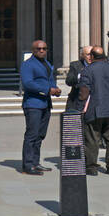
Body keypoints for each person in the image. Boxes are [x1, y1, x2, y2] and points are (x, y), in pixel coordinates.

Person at [78, 46, 109, 174]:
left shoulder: (87, 70)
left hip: (95, 109)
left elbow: (84, 92)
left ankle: (91, 167)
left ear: (92, 57)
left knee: (92, 139)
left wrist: (80, 103)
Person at [20, 40, 61, 174]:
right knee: (32, 135)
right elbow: (28, 84)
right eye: (39, 49)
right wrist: (48, 90)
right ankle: (27, 165)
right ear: (33, 50)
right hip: (33, 104)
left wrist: (55, 89)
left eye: (44, 48)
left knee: (40, 135)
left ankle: (35, 162)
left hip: (45, 104)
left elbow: (49, 80)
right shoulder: (28, 65)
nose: (42, 51)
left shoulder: (47, 63)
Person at [65, 45, 93, 113]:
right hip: (78, 100)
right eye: (88, 55)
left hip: (93, 100)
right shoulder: (75, 65)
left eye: (92, 54)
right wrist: (80, 75)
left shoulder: (98, 65)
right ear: (82, 55)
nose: (90, 57)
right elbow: (69, 81)